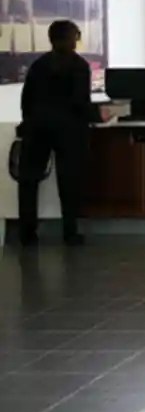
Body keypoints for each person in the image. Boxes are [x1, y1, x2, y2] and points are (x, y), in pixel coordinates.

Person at [18, 20, 111, 246]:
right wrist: (99, 114)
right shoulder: (79, 66)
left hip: (37, 128)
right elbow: (79, 102)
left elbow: (26, 100)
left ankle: (27, 233)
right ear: (73, 39)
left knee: (29, 181)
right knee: (69, 182)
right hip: (69, 131)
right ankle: (70, 232)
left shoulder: (38, 65)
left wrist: (29, 122)